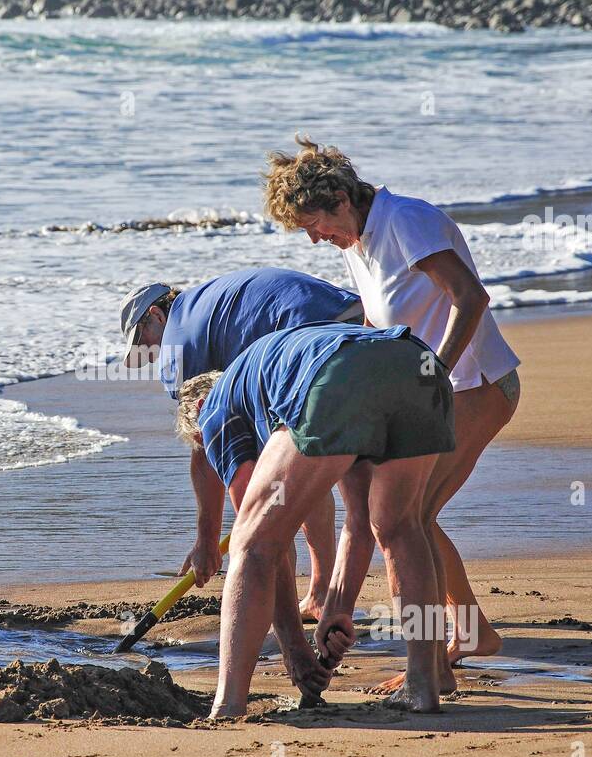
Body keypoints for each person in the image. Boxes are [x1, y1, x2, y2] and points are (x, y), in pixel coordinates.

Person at [264, 135, 521, 687]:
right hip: (431, 395)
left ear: (339, 195)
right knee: (409, 521)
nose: (315, 238)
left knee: (401, 523)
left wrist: (433, 375)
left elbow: (470, 297)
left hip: (475, 386)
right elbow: (378, 328)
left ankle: (433, 665)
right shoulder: (359, 242)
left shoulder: (406, 220)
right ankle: (467, 633)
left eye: (315, 223)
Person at [176, 322, 455, 715]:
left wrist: (294, 650)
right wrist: (336, 609)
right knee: (398, 526)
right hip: (418, 365)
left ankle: (229, 704)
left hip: (337, 373)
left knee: (249, 543)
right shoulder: (268, 376)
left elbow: (264, 548)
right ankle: (422, 686)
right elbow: (358, 524)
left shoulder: (215, 408)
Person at [119, 267, 364, 620]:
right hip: (357, 324)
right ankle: (321, 592)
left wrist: (206, 541)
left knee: (283, 476)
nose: (153, 355)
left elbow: (204, 441)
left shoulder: (179, 340)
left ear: (156, 315)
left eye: (146, 343)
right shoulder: (205, 306)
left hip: (309, 341)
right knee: (308, 463)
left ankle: (295, 605)